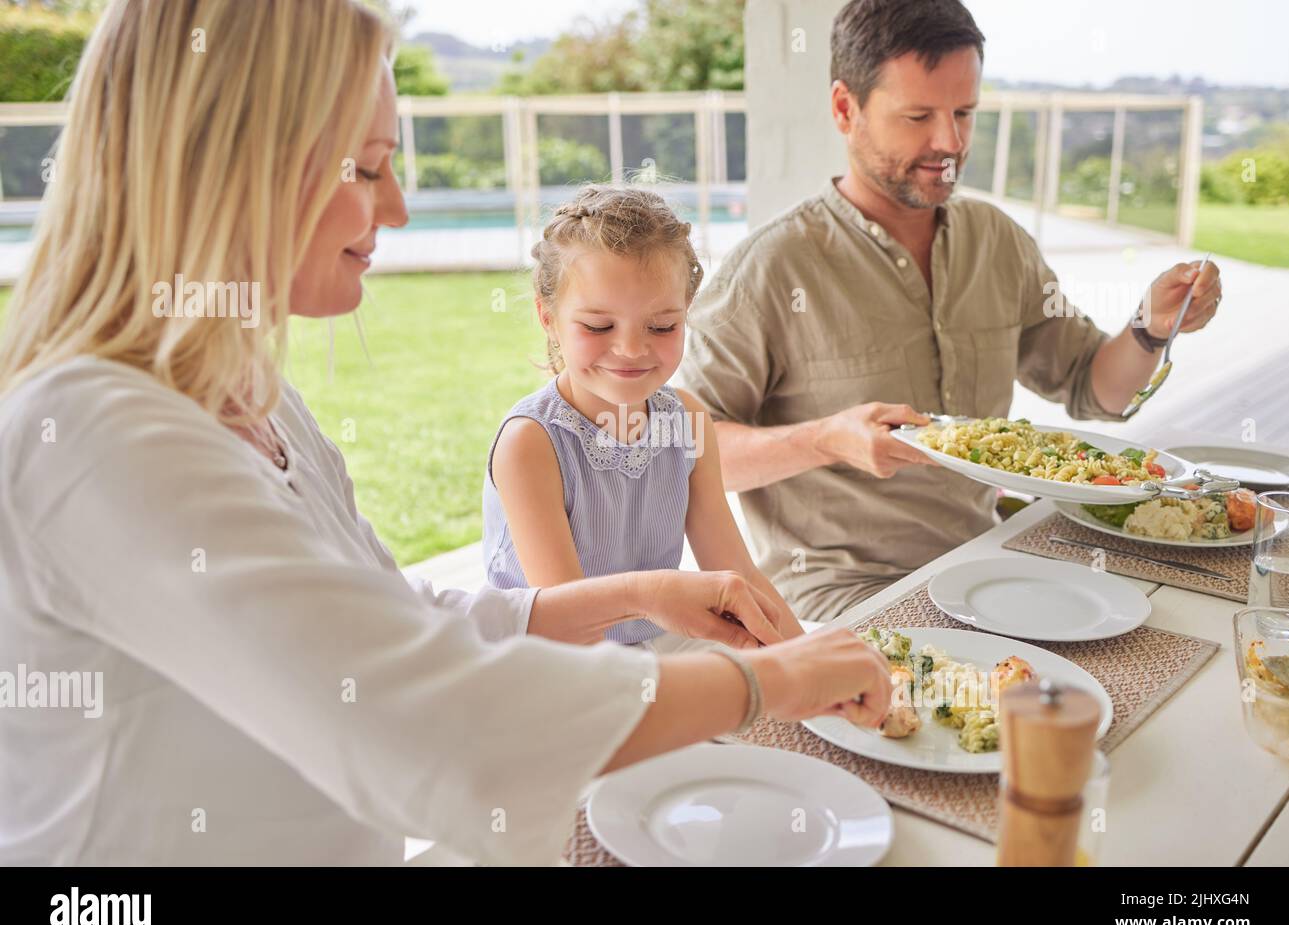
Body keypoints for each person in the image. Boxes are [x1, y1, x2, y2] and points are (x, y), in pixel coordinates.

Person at [0, 0, 894, 866]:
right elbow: (432, 725)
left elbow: (399, 620)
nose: (395, 207)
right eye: (366, 166)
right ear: (227, 165)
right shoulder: (94, 436)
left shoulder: (258, 399)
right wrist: (774, 681)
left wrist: (651, 593)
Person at [674, 0, 1224, 623]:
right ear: (844, 109)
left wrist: (1150, 326)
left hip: (986, 559)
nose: (951, 142)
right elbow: (687, 449)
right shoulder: (772, 268)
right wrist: (825, 440)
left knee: (1169, 625)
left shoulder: (997, 240)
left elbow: (1092, 388)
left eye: (964, 112)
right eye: (918, 116)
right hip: (846, 598)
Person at [483, 184, 805, 652]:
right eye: (598, 326)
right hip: (545, 662)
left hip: (646, 647)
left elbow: (738, 573)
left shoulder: (689, 422)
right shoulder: (530, 445)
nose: (632, 349)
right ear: (548, 317)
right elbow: (571, 623)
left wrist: (807, 659)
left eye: (661, 326)